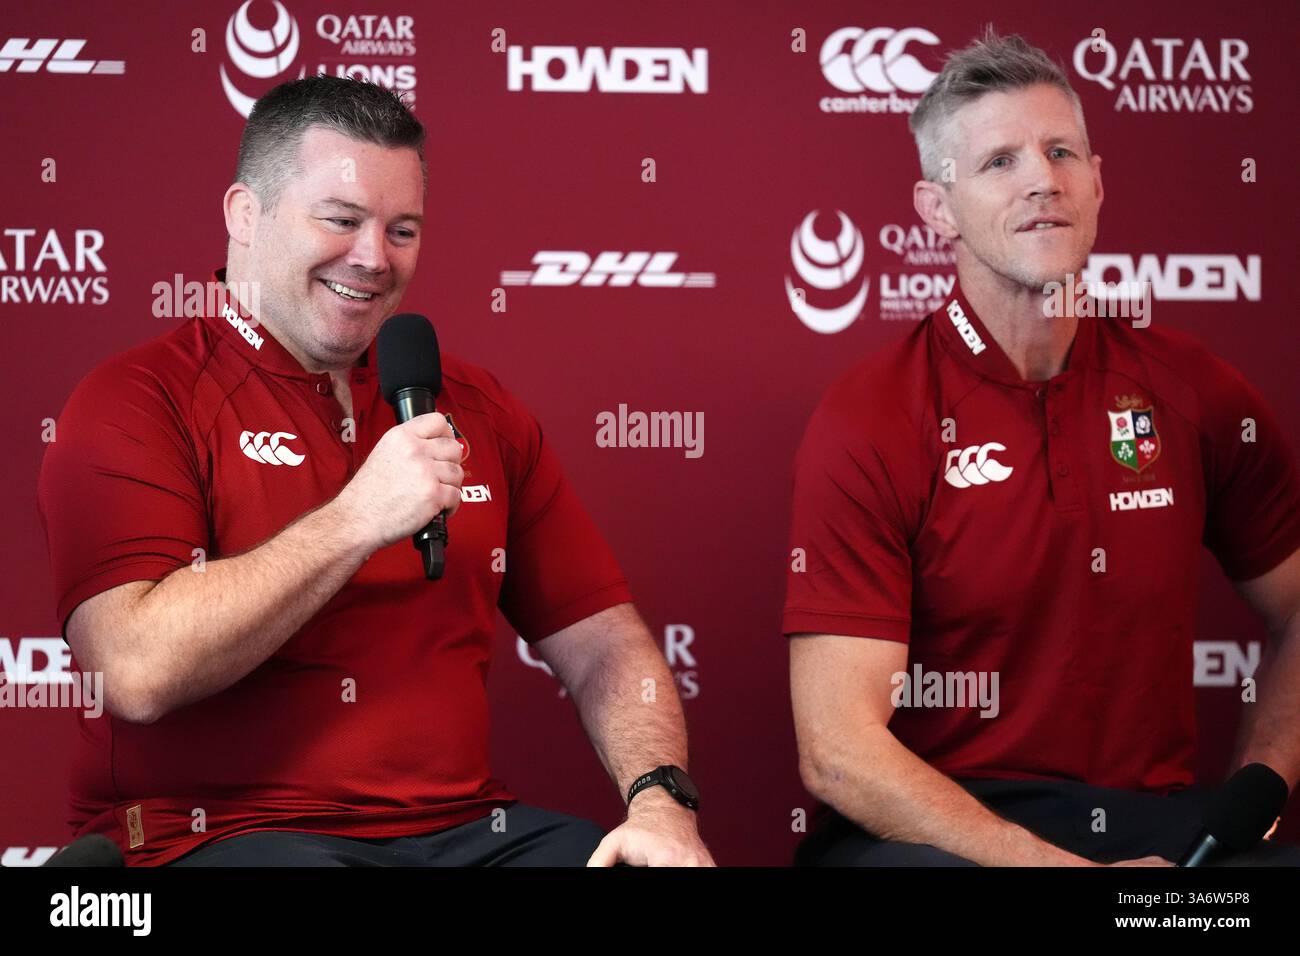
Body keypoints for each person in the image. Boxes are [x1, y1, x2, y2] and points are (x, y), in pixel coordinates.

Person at [37, 75, 712, 867]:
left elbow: (603, 643)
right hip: (223, 837)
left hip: (466, 833)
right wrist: (359, 518)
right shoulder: (137, 400)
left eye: (402, 229)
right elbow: (136, 669)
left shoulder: (476, 407)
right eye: (342, 220)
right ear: (244, 215)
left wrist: (661, 799)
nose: (372, 258)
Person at [784, 28, 1300, 866]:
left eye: (1062, 152)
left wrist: (1258, 790)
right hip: (937, 836)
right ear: (936, 209)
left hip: (1148, 826)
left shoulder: (1192, 390)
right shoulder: (872, 416)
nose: (1043, 181)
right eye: (999, 163)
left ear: (1098, 183)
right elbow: (837, 751)